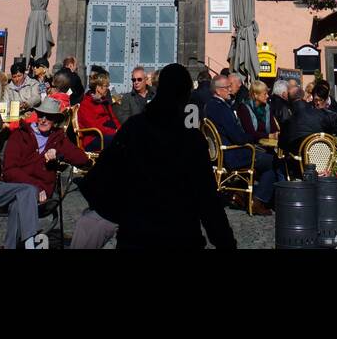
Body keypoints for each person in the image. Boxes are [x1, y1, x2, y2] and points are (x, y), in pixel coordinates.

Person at [79, 63, 237, 250]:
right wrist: (226, 243)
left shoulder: (134, 128)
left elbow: (98, 180)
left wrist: (125, 213)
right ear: (185, 96)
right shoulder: (191, 141)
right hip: (180, 237)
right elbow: (209, 203)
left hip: (136, 236)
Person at [0, 98, 89, 249]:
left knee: (17, 205)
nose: (44, 120)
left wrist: (58, 153)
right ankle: (31, 244)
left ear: (55, 120)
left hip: (36, 197)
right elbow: (10, 170)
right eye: (41, 115)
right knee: (28, 191)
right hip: (8, 189)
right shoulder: (20, 135)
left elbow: (82, 159)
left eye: (49, 117)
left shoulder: (58, 139)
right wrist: (36, 187)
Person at [205, 75, 276, 215]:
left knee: (265, 159)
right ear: (218, 91)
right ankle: (258, 200)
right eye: (227, 87)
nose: (230, 90)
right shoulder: (221, 109)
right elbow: (238, 137)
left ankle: (241, 193)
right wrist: (252, 139)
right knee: (274, 161)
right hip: (233, 155)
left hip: (223, 154)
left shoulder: (210, 106)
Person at [278, 80, 337, 156]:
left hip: (308, 159)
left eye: (321, 100)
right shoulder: (311, 113)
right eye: (316, 100)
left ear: (326, 100)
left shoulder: (332, 114)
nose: (318, 103)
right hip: (319, 158)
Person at [77, 71, 121, 148]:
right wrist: (114, 132)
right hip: (93, 138)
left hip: (107, 134)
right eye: (105, 86)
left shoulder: (104, 101)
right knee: (119, 141)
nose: (108, 88)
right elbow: (94, 126)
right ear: (98, 87)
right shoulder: (86, 103)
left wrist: (121, 131)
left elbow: (114, 119)